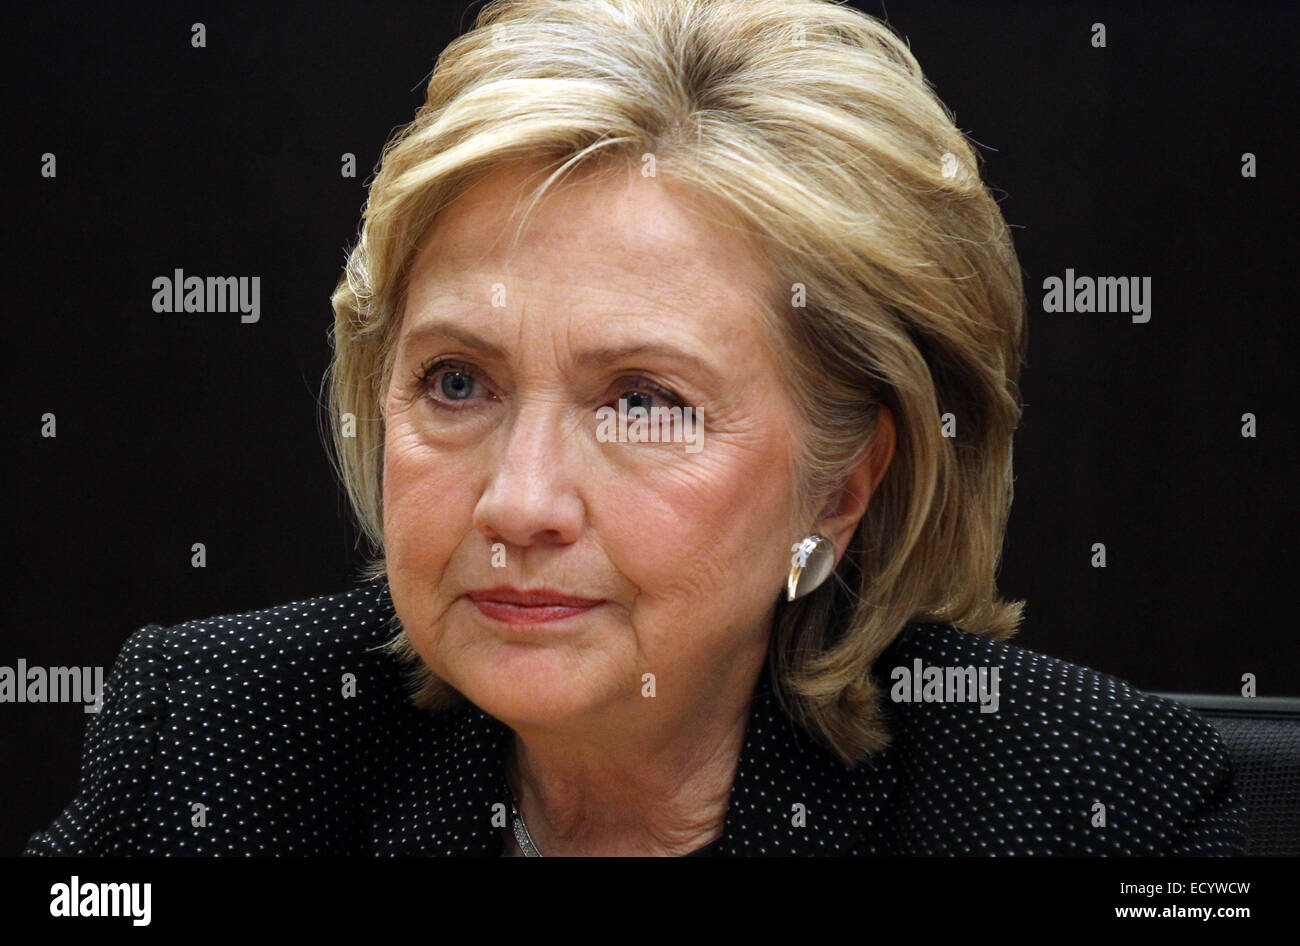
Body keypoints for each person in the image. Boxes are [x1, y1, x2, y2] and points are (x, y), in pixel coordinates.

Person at [26, 0, 1244, 856]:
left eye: (645, 403)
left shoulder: (1086, 805)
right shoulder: (217, 737)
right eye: (457, 382)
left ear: (841, 488)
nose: (519, 502)